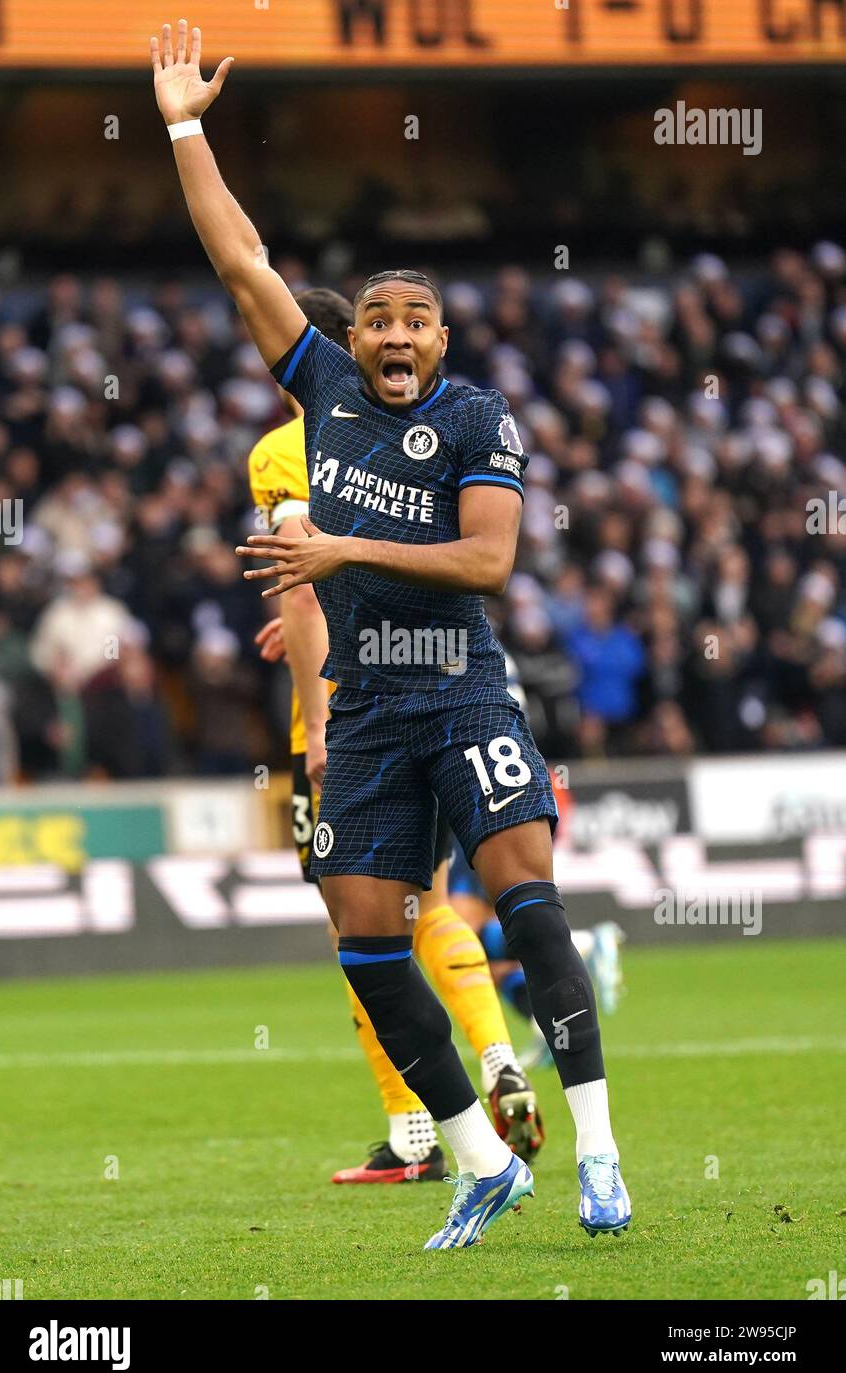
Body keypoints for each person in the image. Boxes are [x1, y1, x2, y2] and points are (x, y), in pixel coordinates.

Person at [151, 19, 630, 1247]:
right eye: (379, 321)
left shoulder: (477, 418)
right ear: (352, 341)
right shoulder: (316, 395)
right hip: (363, 707)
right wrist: (184, 129)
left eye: (417, 318)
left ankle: (603, 1156)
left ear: (443, 342)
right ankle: (479, 1160)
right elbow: (245, 262)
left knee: (527, 900)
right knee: (365, 944)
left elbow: (487, 560)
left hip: (464, 692)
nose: (399, 334)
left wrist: (340, 548)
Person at [249, 287, 544, 1180]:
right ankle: (498, 1052)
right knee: (438, 904)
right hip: (459, 687)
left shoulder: (285, 447)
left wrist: (311, 727)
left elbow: (302, 583)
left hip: (358, 715)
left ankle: (413, 1129)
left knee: (360, 923)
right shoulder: (441, 418)